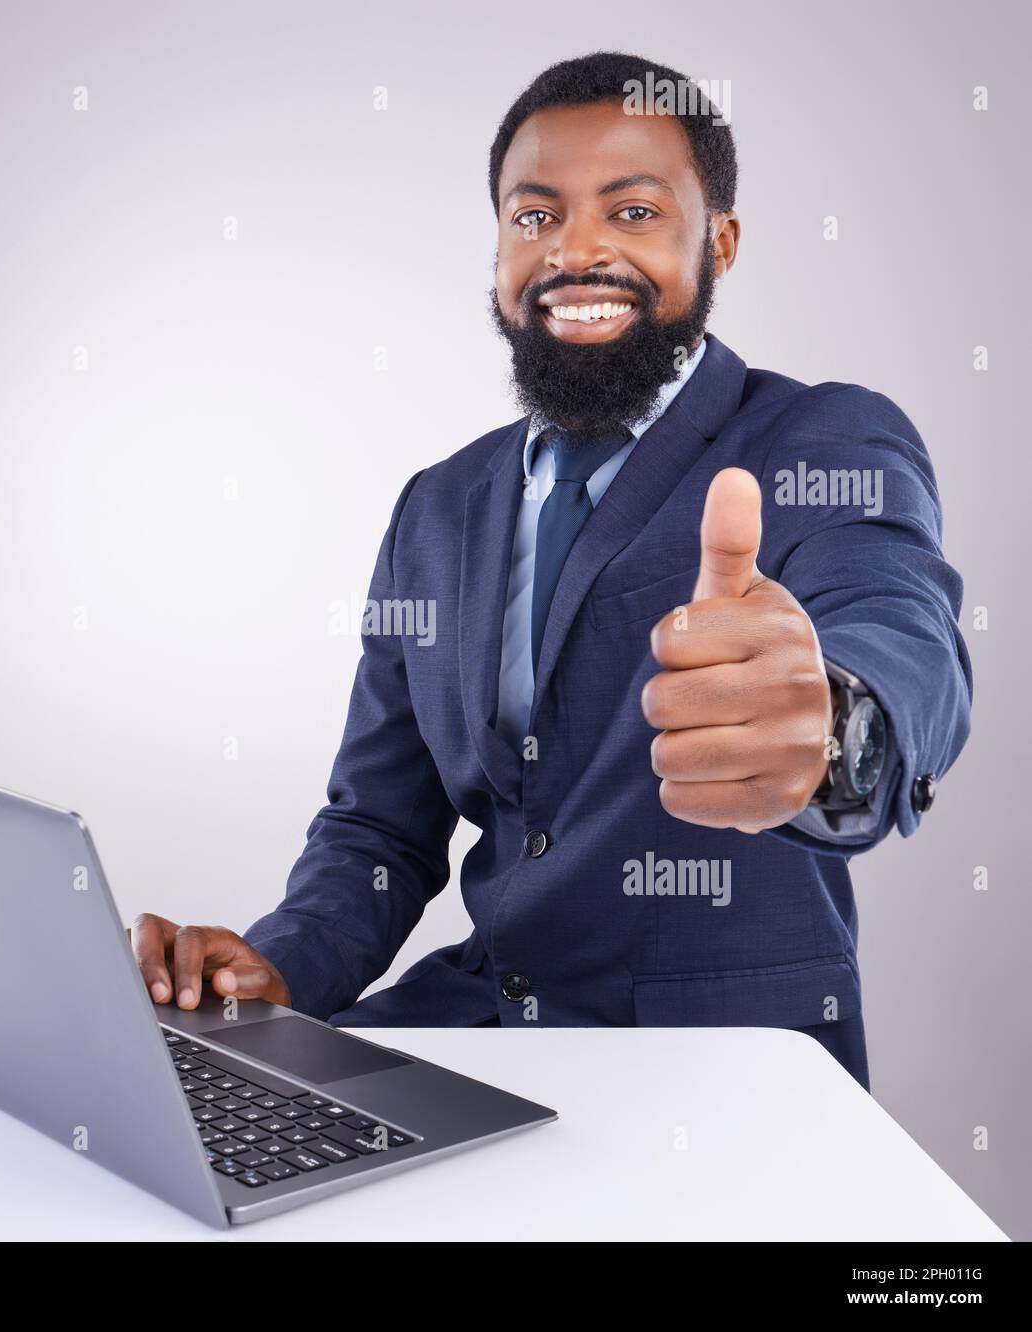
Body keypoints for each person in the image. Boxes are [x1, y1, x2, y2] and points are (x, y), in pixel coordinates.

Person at [129, 51, 971, 1091]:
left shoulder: (817, 438)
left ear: (720, 242)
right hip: (471, 1034)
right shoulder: (434, 508)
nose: (574, 250)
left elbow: (895, 617)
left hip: (721, 1074)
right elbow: (378, 827)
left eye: (631, 212)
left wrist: (840, 728)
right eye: (535, 217)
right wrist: (283, 966)